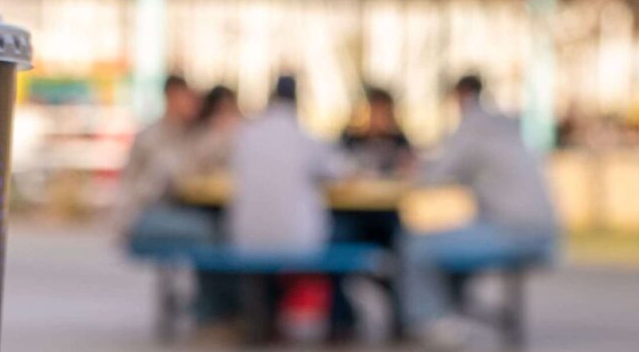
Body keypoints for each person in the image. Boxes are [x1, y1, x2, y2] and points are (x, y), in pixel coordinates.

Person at [403, 74, 560, 349]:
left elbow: (434, 176)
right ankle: (449, 310)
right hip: (543, 231)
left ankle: (433, 323)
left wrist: (406, 168)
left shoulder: (474, 130)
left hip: (512, 230)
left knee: (416, 247)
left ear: (458, 98)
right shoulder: (507, 129)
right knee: (448, 240)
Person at [227, 74, 346, 256]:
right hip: (298, 241)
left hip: (245, 238)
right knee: (347, 231)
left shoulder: (245, 135)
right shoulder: (305, 137)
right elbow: (339, 170)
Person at [114, 74, 213, 253]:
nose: (195, 103)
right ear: (172, 97)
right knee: (209, 230)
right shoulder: (152, 138)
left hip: (168, 211)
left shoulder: (189, 134)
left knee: (214, 228)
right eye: (188, 97)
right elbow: (171, 182)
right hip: (143, 215)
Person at [340, 83, 415, 174]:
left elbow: (409, 169)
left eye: (383, 112)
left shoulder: (399, 142)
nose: (379, 118)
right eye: (375, 111)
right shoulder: (350, 140)